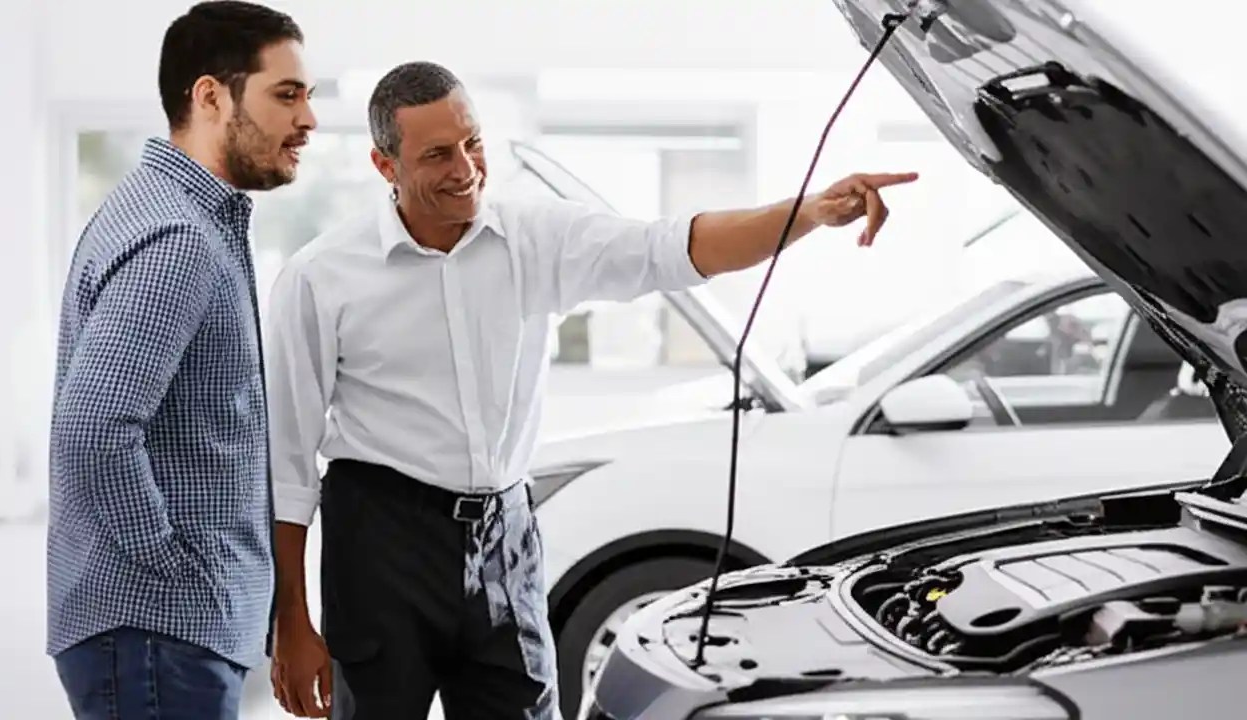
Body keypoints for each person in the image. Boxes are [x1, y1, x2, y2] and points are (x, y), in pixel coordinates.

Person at [265, 60, 916, 719]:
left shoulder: (534, 239)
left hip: (504, 537)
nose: (465, 168)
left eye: (474, 143)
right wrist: (289, 619)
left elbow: (672, 248)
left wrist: (806, 212)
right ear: (386, 166)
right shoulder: (321, 279)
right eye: (437, 155)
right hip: (382, 545)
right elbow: (287, 464)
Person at [45, 2, 317, 718]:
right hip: (156, 635)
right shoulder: (178, 238)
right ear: (210, 97)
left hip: (158, 639)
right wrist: (176, 570)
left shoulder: (174, 214)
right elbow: (95, 429)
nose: (309, 119)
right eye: (286, 95)